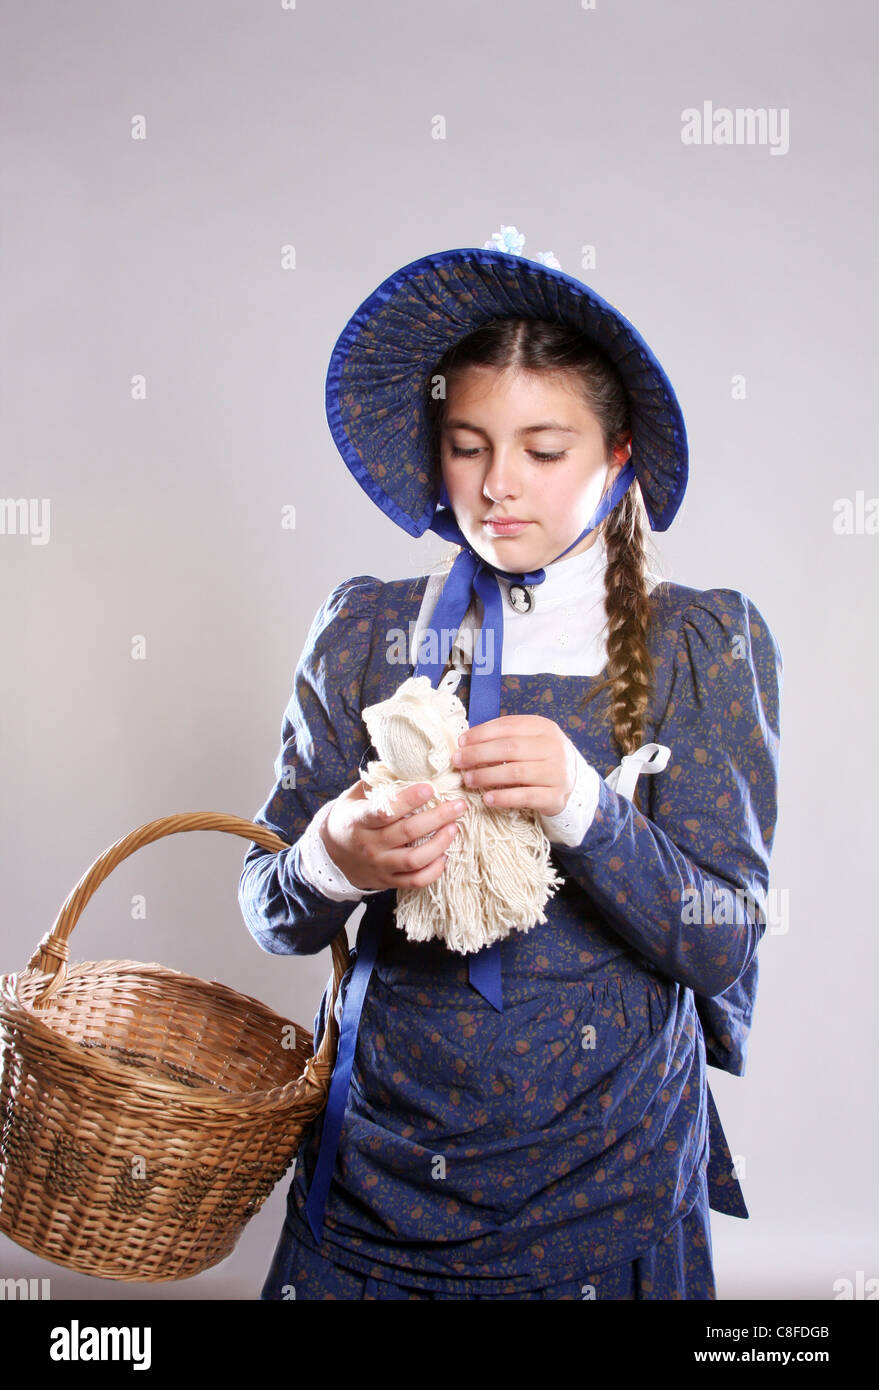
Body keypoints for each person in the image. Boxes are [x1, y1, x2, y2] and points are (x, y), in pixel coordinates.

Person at [238, 229, 784, 1300]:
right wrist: (333, 858)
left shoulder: (698, 646)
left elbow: (723, 944)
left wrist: (587, 806)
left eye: (545, 450)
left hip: (608, 1175)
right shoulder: (363, 631)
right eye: (469, 443)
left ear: (616, 455)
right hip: (381, 1170)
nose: (497, 487)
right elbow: (268, 910)